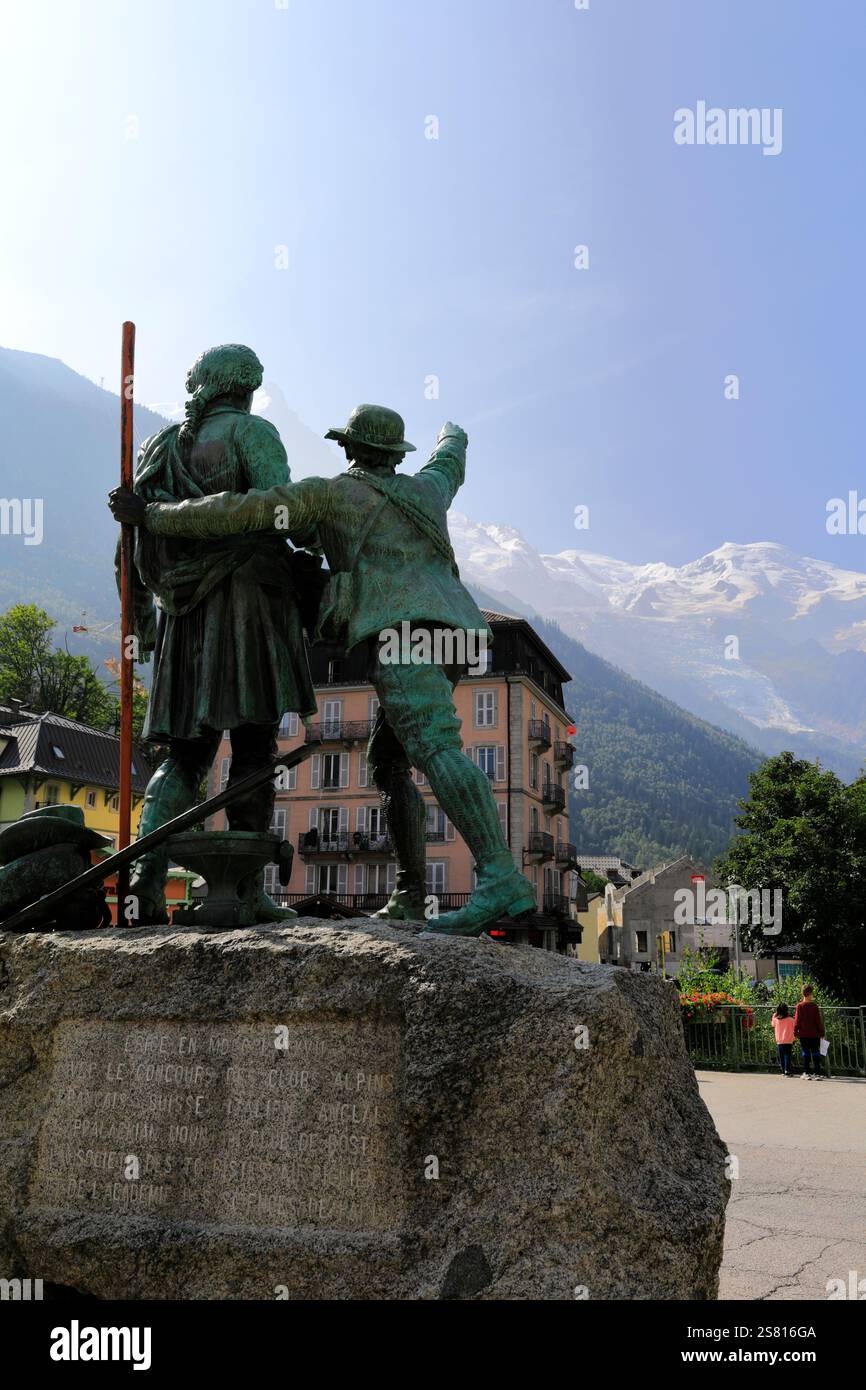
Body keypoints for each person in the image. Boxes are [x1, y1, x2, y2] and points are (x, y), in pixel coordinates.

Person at [109, 406, 535, 937]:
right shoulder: (429, 489)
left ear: (350, 449)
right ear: (395, 454)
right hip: (455, 633)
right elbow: (451, 459)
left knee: (434, 746)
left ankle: (499, 876)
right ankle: (411, 893)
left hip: (400, 632)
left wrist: (152, 516)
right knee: (388, 759)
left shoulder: (330, 495)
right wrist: (455, 430)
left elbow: (237, 512)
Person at [115, 344, 316, 923]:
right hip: (250, 603)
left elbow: (132, 544)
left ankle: (143, 888)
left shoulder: (160, 446)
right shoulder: (254, 433)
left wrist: (140, 623)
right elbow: (283, 512)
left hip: (183, 612)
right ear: (246, 386)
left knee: (185, 755)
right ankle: (247, 893)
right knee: (254, 745)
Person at [793, 984, 825, 1079]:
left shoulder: (799, 1006)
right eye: (812, 993)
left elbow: (796, 1021)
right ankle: (817, 1073)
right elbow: (818, 1021)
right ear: (809, 994)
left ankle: (806, 1073)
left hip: (804, 1034)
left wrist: (795, 1033)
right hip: (814, 1034)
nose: (812, 995)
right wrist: (821, 1033)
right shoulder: (814, 1006)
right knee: (816, 1052)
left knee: (805, 1053)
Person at [771, 1001, 795, 1076]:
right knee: (787, 1055)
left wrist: (775, 1014)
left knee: (781, 1056)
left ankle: (783, 1069)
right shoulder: (791, 1019)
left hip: (779, 1040)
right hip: (788, 1040)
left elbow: (772, 1024)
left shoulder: (776, 1019)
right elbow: (795, 1027)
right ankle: (787, 1070)